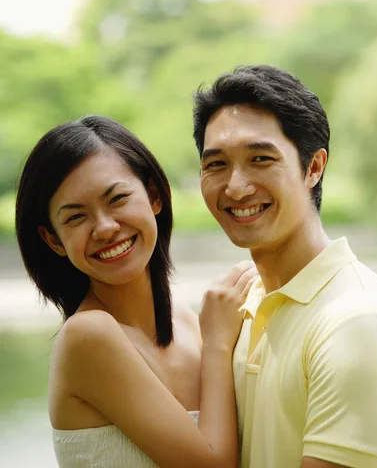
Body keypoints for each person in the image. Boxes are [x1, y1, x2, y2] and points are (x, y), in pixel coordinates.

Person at [15, 115, 257, 468]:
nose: (105, 228)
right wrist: (219, 345)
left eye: (117, 199)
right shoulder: (88, 335)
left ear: (154, 196)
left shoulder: (188, 322)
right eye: (76, 217)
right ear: (53, 240)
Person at [193, 65, 377, 468]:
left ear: (313, 167)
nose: (235, 186)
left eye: (260, 158)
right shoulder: (239, 304)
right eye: (216, 164)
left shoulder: (356, 322)